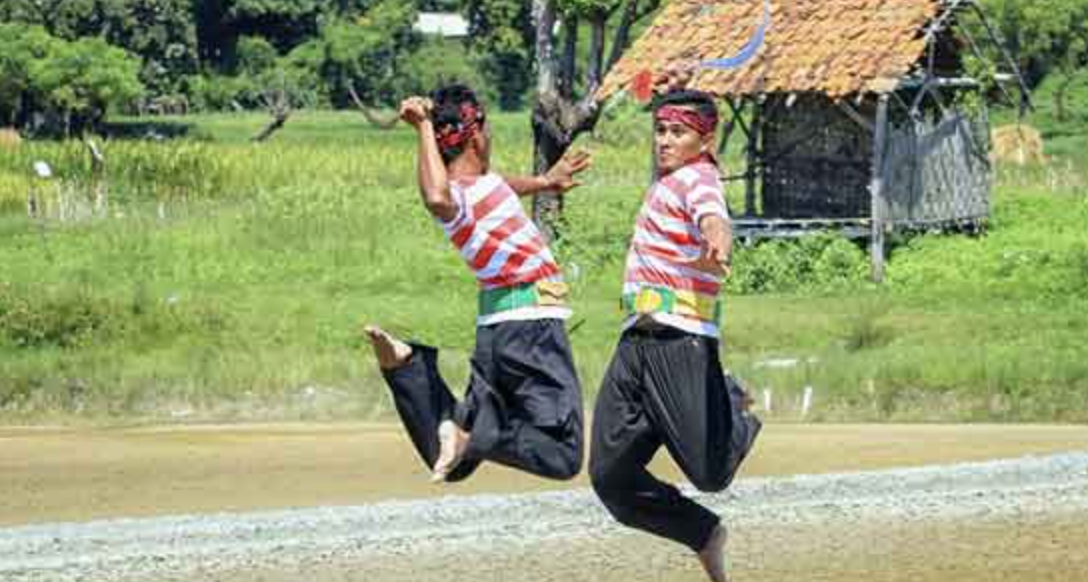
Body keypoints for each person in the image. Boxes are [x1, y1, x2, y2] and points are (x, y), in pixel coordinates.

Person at [364, 84, 591, 484]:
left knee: (451, 461)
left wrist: (543, 182)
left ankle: (408, 368)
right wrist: (420, 128)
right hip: (530, 330)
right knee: (563, 453)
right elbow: (435, 197)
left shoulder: (480, 186)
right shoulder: (454, 197)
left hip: (499, 330)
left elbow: (501, 185)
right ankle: (469, 434)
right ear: (475, 135)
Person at [588, 88, 761, 582]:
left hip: (679, 340)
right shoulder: (665, 182)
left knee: (709, 474)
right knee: (609, 478)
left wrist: (718, 244)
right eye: (661, 131)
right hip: (634, 345)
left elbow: (715, 219)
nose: (664, 141)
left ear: (705, 140)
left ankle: (728, 399)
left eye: (677, 132)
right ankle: (703, 533)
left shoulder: (699, 179)